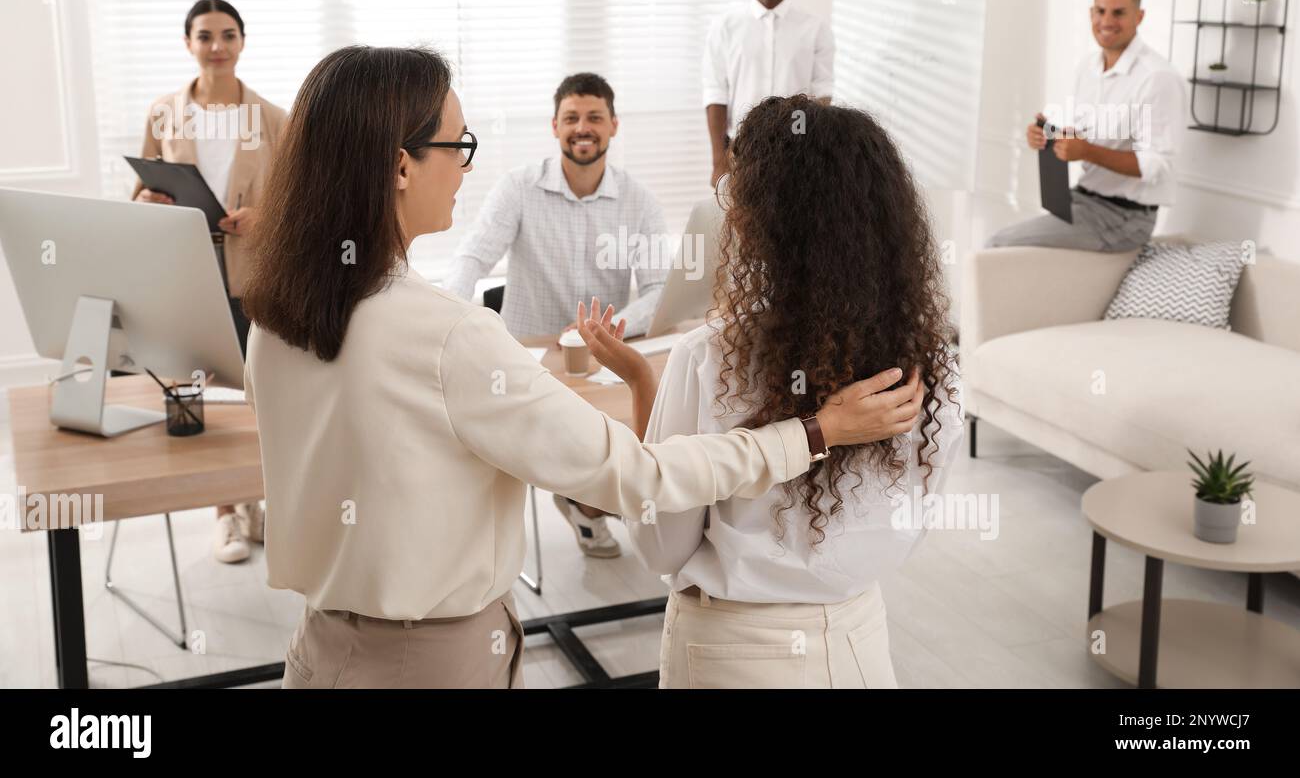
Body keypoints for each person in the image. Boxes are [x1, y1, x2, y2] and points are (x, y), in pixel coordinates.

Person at [240, 45, 926, 689]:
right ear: (399, 166)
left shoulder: (275, 319)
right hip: (431, 660)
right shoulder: (449, 337)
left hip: (320, 649)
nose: (466, 167)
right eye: (457, 145)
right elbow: (639, 478)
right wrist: (814, 430)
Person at [585, 96, 962, 689]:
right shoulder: (932, 365)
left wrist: (642, 385)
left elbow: (662, 547)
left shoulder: (708, 358)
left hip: (732, 653)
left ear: (758, 219)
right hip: (862, 644)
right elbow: (911, 521)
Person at [444, 72, 670, 557]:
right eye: (571, 118)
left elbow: (658, 289)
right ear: (554, 126)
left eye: (594, 117)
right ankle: (583, 501)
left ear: (613, 126)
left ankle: (586, 505)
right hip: (528, 359)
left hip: (600, 361)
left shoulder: (640, 201)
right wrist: (445, 312)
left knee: (637, 441)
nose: (582, 127)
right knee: (574, 448)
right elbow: (472, 257)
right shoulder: (520, 187)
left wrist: (609, 330)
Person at [132, 0, 287, 565]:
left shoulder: (274, 117)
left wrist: (265, 216)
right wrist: (149, 198)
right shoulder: (163, 113)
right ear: (189, 43)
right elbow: (142, 194)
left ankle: (259, 499)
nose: (216, 45)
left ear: (243, 42)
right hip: (189, 271)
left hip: (256, 274)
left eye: (227, 34)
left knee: (259, 391)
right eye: (205, 35)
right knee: (195, 392)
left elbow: (301, 200)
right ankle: (224, 512)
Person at [987, 0, 1185, 252]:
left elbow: (1159, 165)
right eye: (1100, 11)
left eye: (1118, 13)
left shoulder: (1157, 78)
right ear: (1091, 12)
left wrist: (1087, 152)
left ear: (1139, 17)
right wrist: (1050, 135)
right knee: (1008, 243)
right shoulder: (1088, 68)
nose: (1106, 21)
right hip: (1081, 200)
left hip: (1125, 217)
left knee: (998, 246)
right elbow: (1089, 134)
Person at [703, 0, 834, 188]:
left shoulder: (814, 28)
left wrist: (800, 138)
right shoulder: (725, 27)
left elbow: (821, 94)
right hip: (741, 152)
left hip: (798, 148)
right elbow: (715, 93)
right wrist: (719, 160)